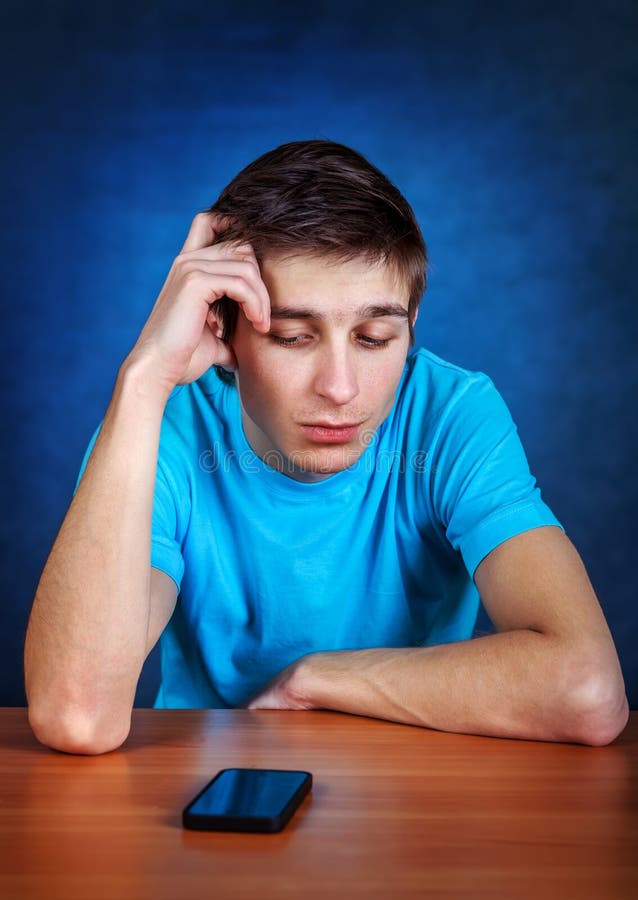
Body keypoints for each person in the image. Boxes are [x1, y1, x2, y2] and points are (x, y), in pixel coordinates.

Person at [24, 140, 628, 754]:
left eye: (373, 338)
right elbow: (78, 716)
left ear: (412, 321)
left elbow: (587, 691)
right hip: (205, 790)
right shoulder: (160, 426)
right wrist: (145, 375)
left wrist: (317, 680)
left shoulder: (451, 415)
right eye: (291, 337)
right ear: (222, 325)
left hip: (421, 789)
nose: (340, 390)